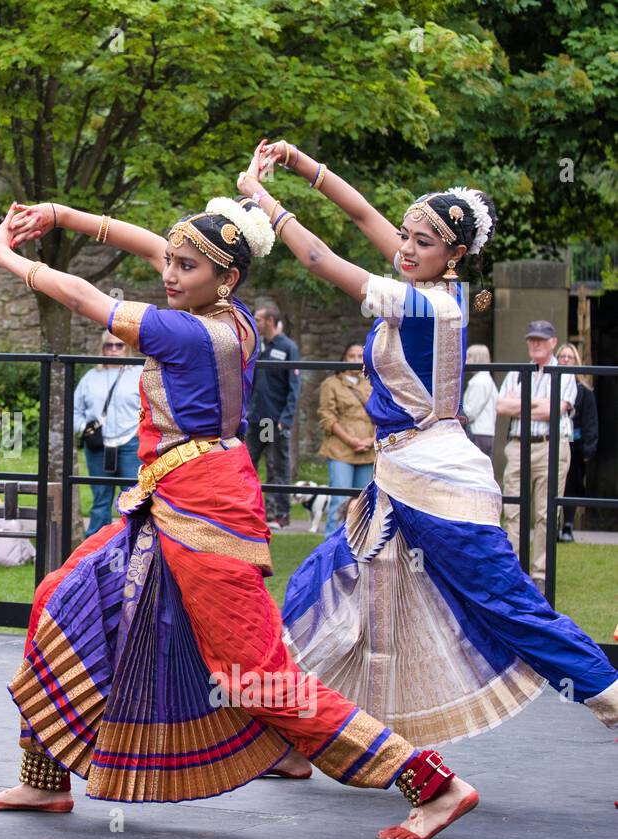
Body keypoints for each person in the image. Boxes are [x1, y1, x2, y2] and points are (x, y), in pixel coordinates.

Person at [0, 191, 481, 839]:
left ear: (226, 277)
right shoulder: (219, 308)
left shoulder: (187, 330)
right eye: (171, 261)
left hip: (206, 513)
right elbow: (149, 245)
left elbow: (82, 300)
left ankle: (432, 782)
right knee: (54, 595)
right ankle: (43, 779)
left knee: (258, 680)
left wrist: (9, 258)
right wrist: (61, 216)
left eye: (186, 266)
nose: (170, 273)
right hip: (165, 505)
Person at [241, 139, 616, 757]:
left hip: (437, 484)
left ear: (456, 255)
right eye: (407, 237)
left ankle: (613, 706)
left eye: (422, 242)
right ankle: (318, 734)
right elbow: (363, 215)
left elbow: (317, 258)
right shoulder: (426, 282)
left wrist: (260, 198)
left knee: (512, 609)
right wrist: (302, 164)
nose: (406, 249)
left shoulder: (429, 305)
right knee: (328, 580)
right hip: (399, 480)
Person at [496, 320, 575, 590]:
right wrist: (536, 403)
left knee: (546, 511)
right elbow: (501, 406)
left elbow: (555, 410)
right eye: (532, 339)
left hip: (550, 444)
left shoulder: (564, 374)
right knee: (513, 509)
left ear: (553, 342)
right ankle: (514, 568)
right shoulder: (517, 373)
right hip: (518, 445)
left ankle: (540, 573)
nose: (535, 343)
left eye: (541, 339)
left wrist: (521, 402)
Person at [72, 332, 142, 534]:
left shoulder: (139, 373)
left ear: (126, 348)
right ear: (102, 348)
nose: (113, 350)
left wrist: (141, 429)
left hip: (130, 444)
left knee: (132, 499)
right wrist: (84, 429)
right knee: (100, 500)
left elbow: (153, 407)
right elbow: (74, 410)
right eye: (108, 346)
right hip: (98, 446)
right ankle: (94, 552)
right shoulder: (90, 378)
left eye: (118, 346)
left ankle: (134, 547)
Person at [245, 301, 300, 528]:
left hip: (274, 421)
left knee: (277, 466)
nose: (255, 323)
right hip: (254, 418)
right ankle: (252, 512)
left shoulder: (288, 347)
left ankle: (279, 515)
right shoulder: (257, 347)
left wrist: (286, 420)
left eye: (258, 319)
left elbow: (294, 387)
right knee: (246, 465)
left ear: (269, 320)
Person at [316, 343, 374, 536]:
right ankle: (331, 550)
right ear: (344, 358)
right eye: (351, 356)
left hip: (368, 450)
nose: (356, 360)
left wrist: (371, 440)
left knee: (364, 504)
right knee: (340, 502)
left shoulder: (373, 383)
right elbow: (327, 417)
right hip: (341, 449)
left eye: (359, 356)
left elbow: (383, 414)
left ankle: (359, 549)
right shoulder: (331, 384)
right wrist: (350, 440)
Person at [556, 342, 596, 542]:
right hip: (555, 440)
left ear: (576, 361)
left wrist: (589, 448)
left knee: (571, 485)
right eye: (561, 356)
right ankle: (553, 525)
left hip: (576, 444)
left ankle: (568, 526)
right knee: (554, 485)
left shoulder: (584, 391)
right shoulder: (549, 384)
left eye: (568, 357)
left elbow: (590, 420)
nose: (564, 360)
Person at [461, 343, 496, 458]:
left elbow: (470, 412)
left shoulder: (478, 382)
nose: (466, 360)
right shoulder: (487, 379)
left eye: (469, 356)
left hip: (477, 433)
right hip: (486, 432)